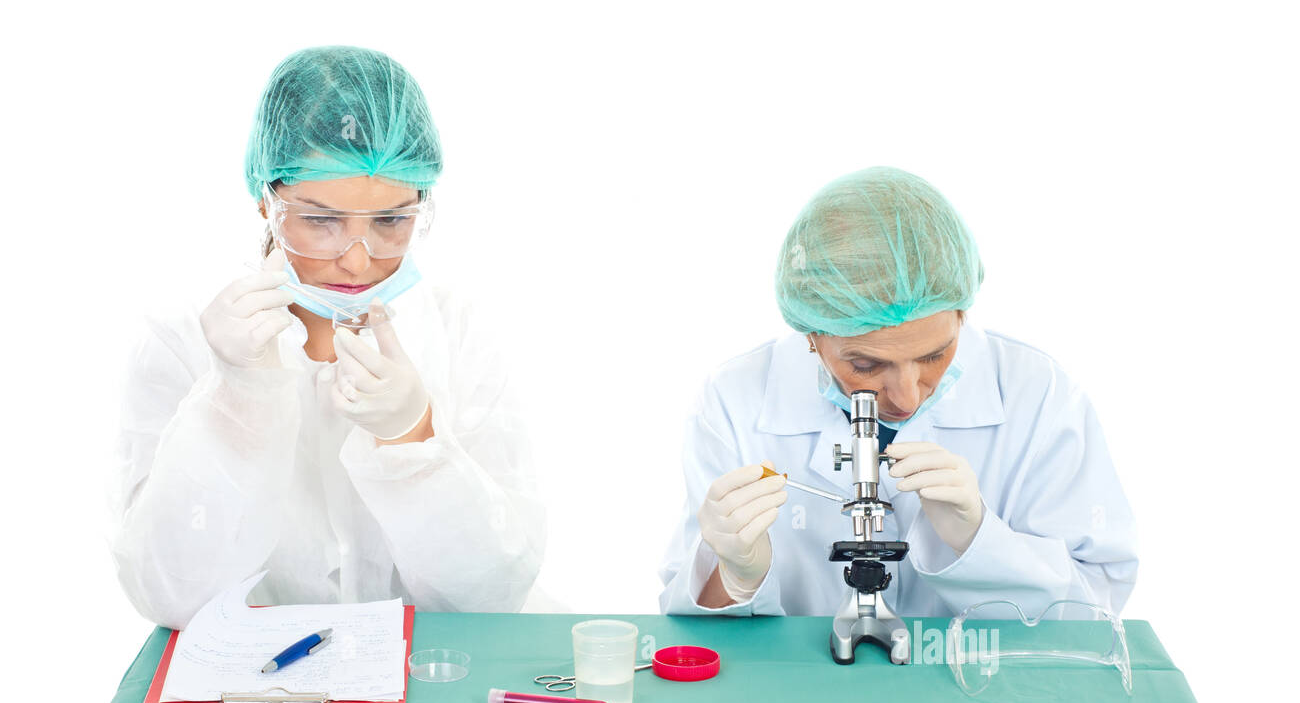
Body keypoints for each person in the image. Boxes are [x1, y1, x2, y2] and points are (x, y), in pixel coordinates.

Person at [111, 46, 545, 630]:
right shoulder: (179, 339)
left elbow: (492, 597)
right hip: (248, 687)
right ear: (264, 200)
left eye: (392, 220)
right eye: (320, 220)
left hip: (429, 683)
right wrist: (238, 400)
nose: (360, 258)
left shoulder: (460, 330)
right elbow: (172, 597)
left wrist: (413, 437)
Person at [659, 167, 1137, 619]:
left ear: (962, 315)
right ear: (812, 334)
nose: (907, 398)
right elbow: (693, 634)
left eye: (935, 355)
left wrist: (978, 541)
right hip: (801, 702)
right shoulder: (733, 402)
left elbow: (1094, 609)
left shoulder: (1039, 396)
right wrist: (738, 576)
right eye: (866, 364)